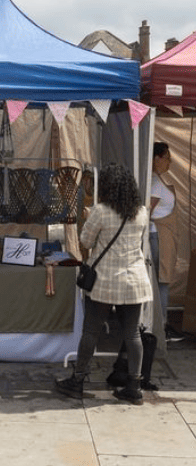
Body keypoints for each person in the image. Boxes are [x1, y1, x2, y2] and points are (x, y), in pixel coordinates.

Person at [55, 162, 153, 405]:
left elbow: (85, 241)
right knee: (132, 335)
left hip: (105, 281)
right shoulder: (141, 211)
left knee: (91, 331)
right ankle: (134, 386)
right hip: (135, 280)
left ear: (107, 186)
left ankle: (77, 381)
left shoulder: (101, 210)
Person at [149, 142, 183, 342]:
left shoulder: (158, 180)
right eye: (167, 157)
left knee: (163, 280)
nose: (169, 161)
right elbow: (148, 211)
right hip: (158, 237)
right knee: (161, 281)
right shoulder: (154, 183)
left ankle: (160, 324)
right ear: (157, 158)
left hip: (163, 236)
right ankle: (160, 326)